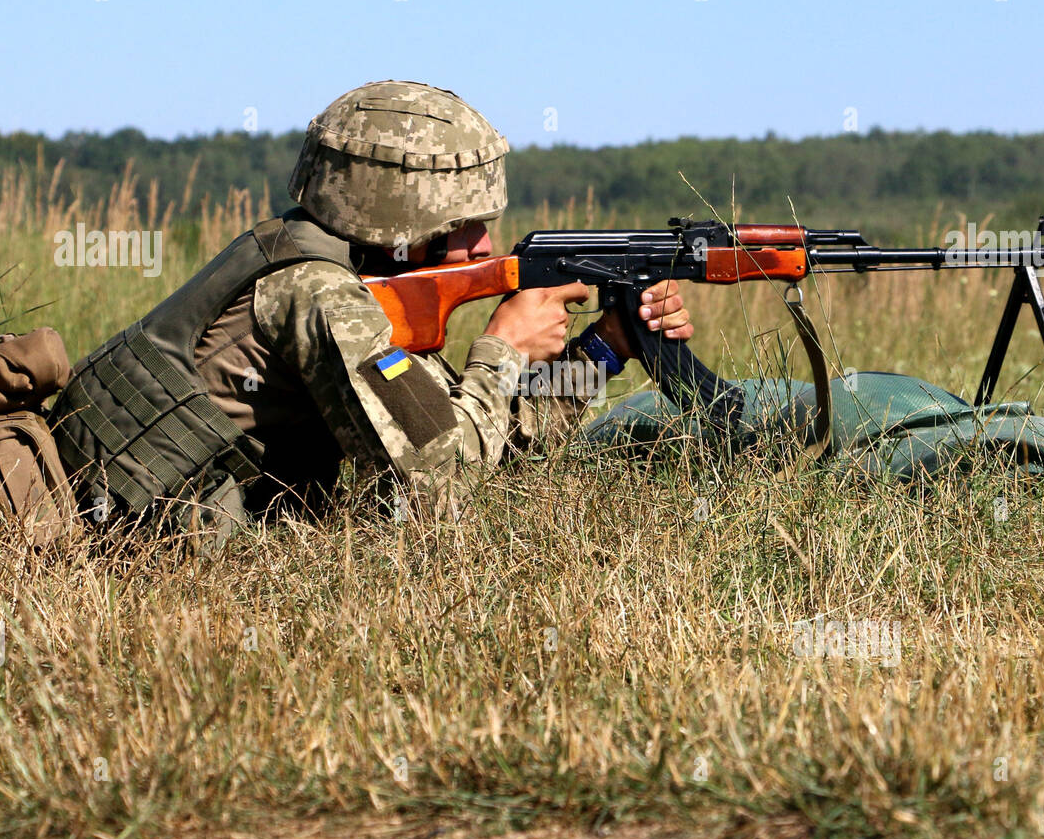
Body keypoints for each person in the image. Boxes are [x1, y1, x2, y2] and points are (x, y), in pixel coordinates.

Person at [48, 81, 694, 538]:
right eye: (467, 223)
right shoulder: (321, 295)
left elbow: (481, 438)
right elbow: (438, 484)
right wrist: (503, 348)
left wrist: (608, 346)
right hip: (153, 550)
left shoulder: (337, 271)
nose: (486, 245)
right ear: (403, 219)